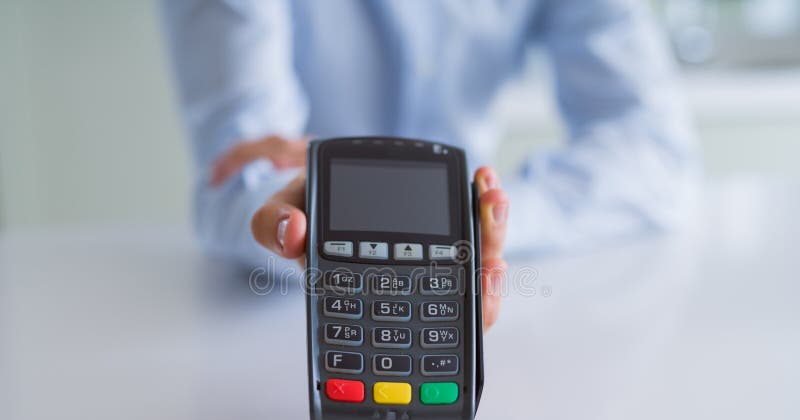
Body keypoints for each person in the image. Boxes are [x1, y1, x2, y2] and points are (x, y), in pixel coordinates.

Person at [161, 0, 698, 331]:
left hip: (465, 287)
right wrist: (430, 219)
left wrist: (481, 220)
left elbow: (655, 154)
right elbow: (236, 175)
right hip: (272, 314)